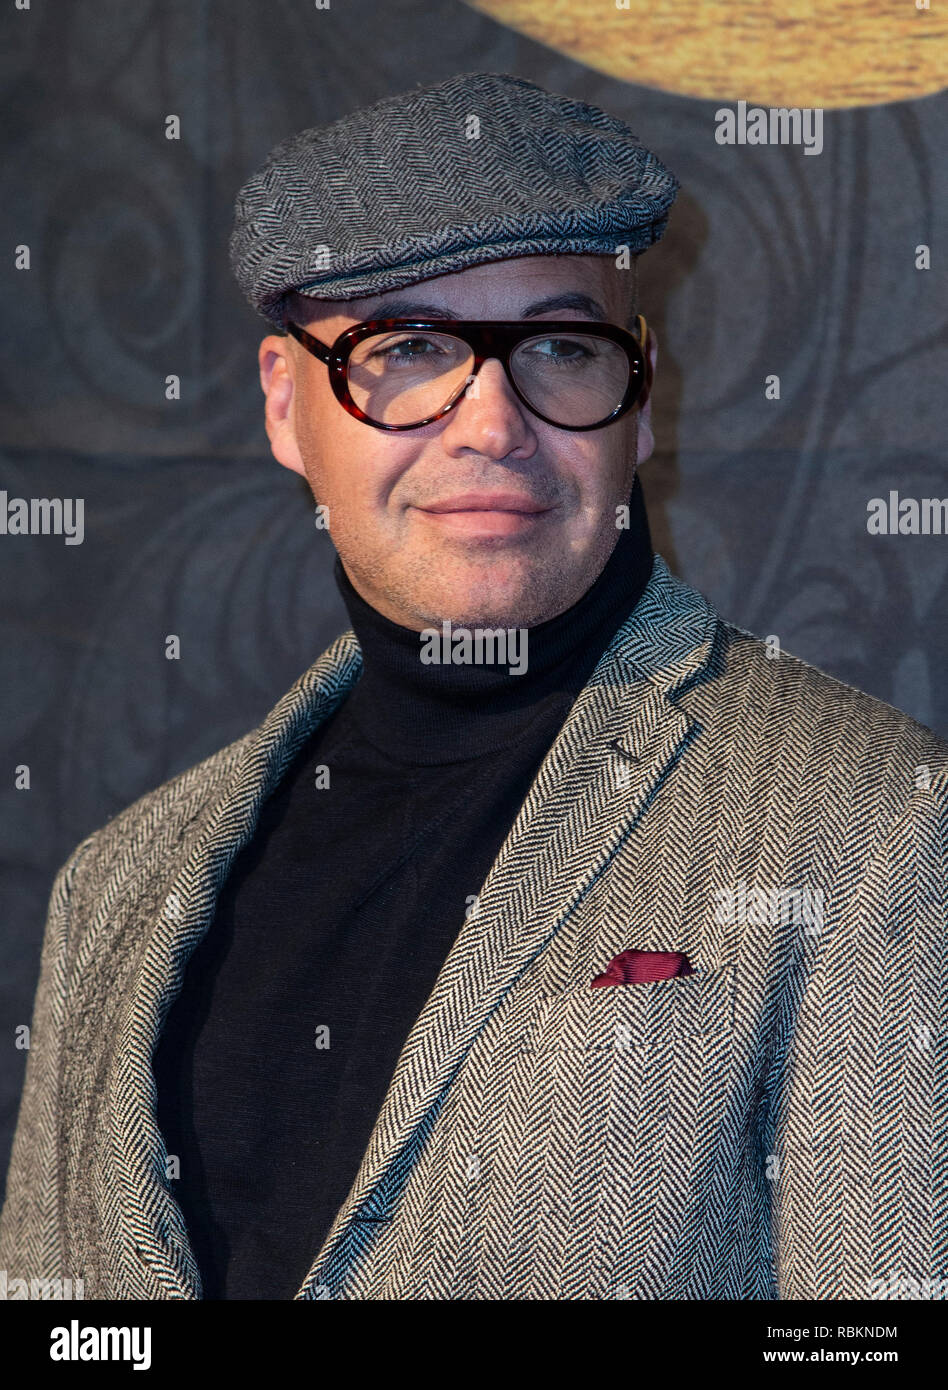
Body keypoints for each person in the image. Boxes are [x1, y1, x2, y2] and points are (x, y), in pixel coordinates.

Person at [1, 71, 945, 1302]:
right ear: (287, 407)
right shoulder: (113, 891)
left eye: (561, 346)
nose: (491, 423)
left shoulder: (878, 830)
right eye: (410, 348)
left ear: (639, 397)